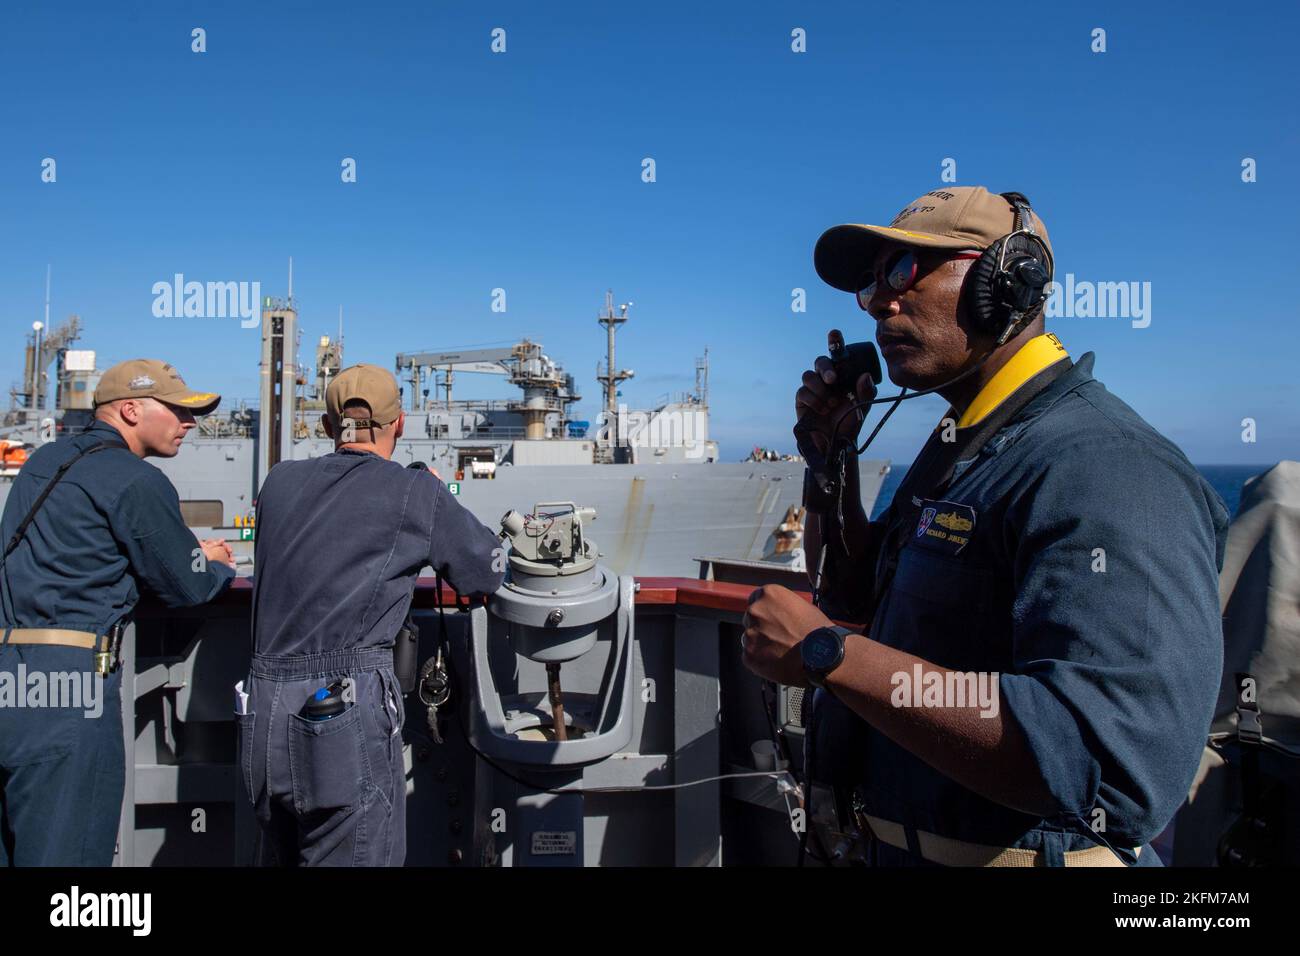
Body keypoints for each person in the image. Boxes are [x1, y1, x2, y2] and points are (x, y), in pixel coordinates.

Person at [741, 186, 1229, 866]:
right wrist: (833, 466)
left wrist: (832, 656)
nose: (882, 300)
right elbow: (854, 598)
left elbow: (1105, 760)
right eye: (871, 283)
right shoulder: (966, 447)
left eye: (906, 271)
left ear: (1010, 278)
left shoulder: (1107, 466)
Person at [242, 363, 505, 866]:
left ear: (326, 427)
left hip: (262, 712)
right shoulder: (414, 491)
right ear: (399, 425)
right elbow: (484, 571)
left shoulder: (277, 483)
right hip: (341, 712)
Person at [0, 359, 235, 866]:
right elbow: (188, 586)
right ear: (130, 410)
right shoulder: (134, 480)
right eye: (177, 410)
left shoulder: (41, 463)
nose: (189, 423)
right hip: (70, 691)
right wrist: (213, 562)